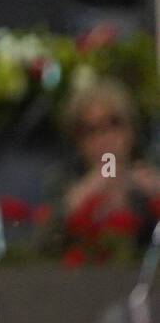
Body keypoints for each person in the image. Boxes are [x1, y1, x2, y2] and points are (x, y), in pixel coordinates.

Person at [53, 78, 160, 252]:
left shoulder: (152, 171)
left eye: (113, 125)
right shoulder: (63, 180)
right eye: (91, 130)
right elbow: (40, 250)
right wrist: (73, 206)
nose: (104, 139)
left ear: (131, 129)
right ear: (77, 141)